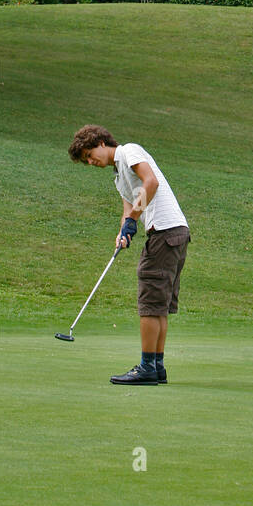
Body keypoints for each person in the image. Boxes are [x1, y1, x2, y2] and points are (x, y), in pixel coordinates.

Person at [68, 125, 191, 385]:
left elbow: (151, 182)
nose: (91, 162)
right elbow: (128, 210)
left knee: (150, 303)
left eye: (90, 154)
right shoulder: (119, 177)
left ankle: (147, 367)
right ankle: (156, 367)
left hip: (165, 232)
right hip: (173, 233)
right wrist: (123, 231)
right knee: (158, 306)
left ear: (101, 142)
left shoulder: (128, 152)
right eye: (86, 161)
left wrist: (134, 219)